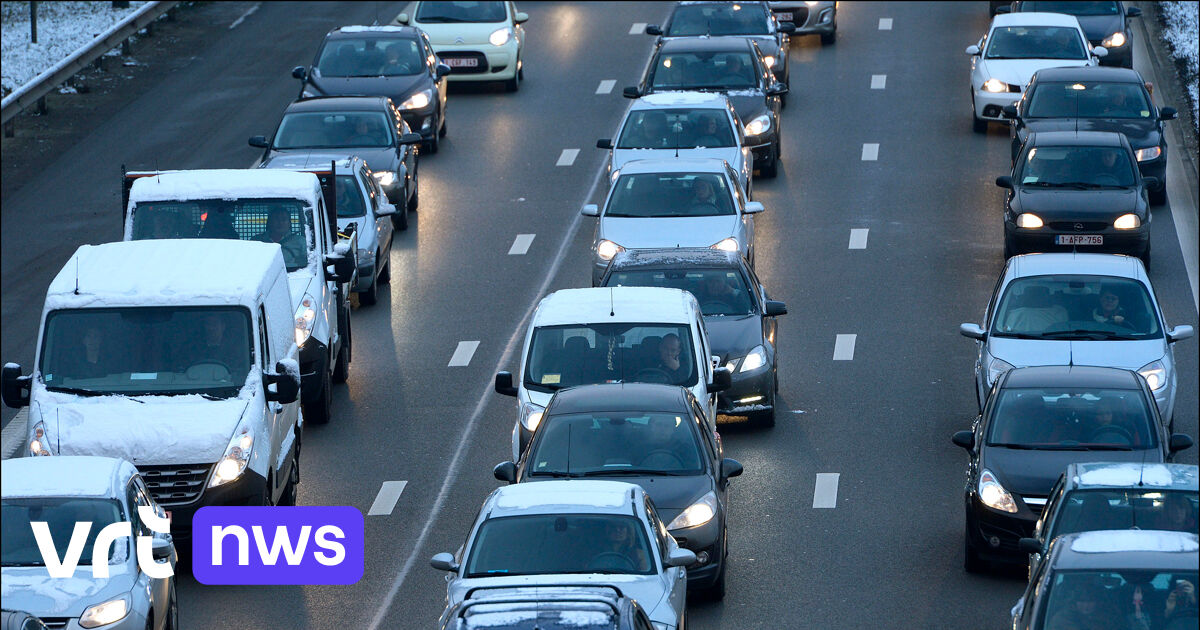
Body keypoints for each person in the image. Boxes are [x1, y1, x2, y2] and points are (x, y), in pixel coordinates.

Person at [1047, 577, 1121, 630]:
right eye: (1081, 601)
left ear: (1097, 602)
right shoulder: (1062, 619)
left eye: (1090, 601)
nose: (1086, 605)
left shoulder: (1109, 618)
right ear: (1075, 602)